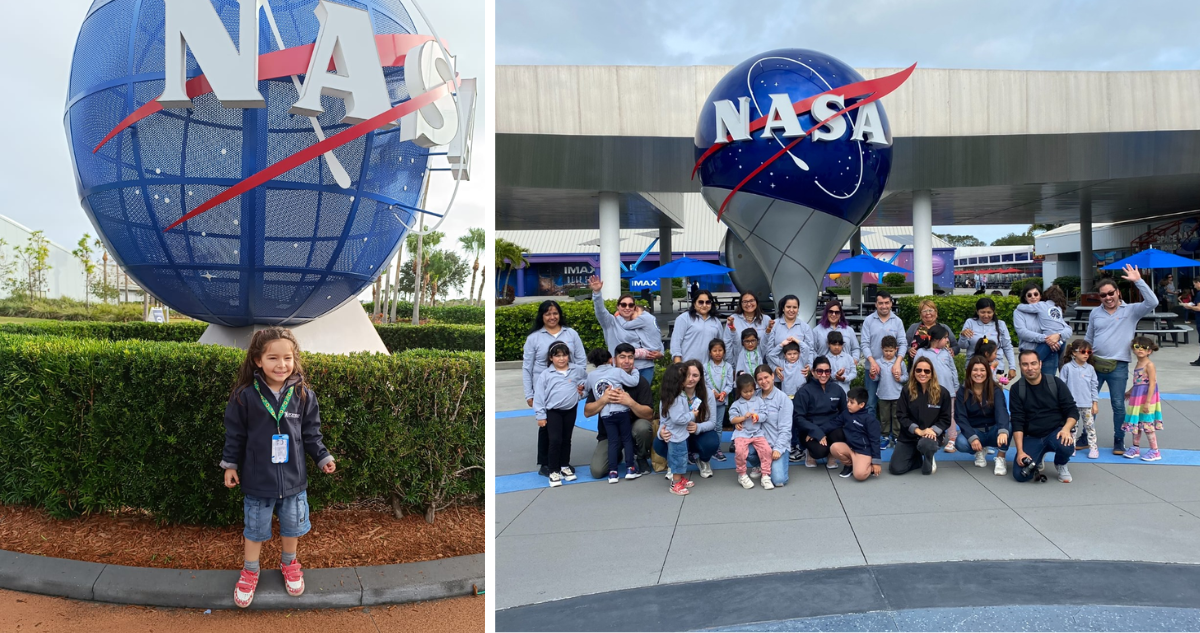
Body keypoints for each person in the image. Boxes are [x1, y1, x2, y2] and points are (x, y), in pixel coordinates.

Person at [222, 328, 335, 608]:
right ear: (258, 360)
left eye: (288, 358)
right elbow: (234, 435)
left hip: (294, 481)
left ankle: (289, 564)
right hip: (257, 482)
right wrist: (230, 465)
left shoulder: (303, 395)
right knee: (255, 529)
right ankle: (250, 570)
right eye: (273, 358)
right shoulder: (244, 397)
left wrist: (322, 457)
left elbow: (311, 433)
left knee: (291, 527)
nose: (281, 364)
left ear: (295, 360)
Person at [1085, 265, 1158, 455]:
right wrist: (1081, 357)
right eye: (1103, 295)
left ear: (1118, 292)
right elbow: (1089, 337)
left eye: (1111, 293)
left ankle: (1119, 439)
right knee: (1087, 402)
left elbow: (1152, 302)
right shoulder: (1095, 313)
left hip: (1119, 365)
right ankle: (1086, 436)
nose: (1108, 298)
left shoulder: (1131, 310)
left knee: (1118, 404)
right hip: (1094, 363)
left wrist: (1138, 281)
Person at [522, 300, 586, 475]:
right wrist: (529, 394)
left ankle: (563, 463)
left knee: (564, 429)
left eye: (555, 313)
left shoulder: (571, 334)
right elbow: (527, 367)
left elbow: (580, 361)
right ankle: (546, 463)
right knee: (546, 427)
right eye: (548, 314)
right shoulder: (534, 337)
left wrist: (580, 384)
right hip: (543, 389)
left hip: (567, 387)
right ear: (542, 316)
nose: (552, 317)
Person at [586, 344, 656, 479]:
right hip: (609, 432)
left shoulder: (640, 381)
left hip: (632, 428)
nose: (627, 361)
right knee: (597, 471)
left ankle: (640, 456)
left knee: (643, 427)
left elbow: (649, 415)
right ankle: (616, 454)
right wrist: (604, 399)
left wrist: (630, 402)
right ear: (613, 360)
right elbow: (587, 412)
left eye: (630, 357)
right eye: (622, 357)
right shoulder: (601, 379)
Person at [1009, 350, 1078, 483]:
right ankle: (1038, 457)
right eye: (1025, 364)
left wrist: (1066, 429)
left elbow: (1072, 410)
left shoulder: (1055, 383)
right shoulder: (1017, 389)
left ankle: (1061, 464)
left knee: (1066, 445)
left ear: (1040, 364)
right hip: (1032, 436)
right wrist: (1021, 451)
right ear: (1020, 366)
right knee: (1020, 475)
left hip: (1055, 432)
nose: (1030, 368)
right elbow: (1017, 421)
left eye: (1033, 363)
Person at [656, 360, 718, 493]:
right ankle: (675, 479)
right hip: (677, 434)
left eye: (695, 375)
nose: (690, 379)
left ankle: (701, 462)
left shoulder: (705, 393)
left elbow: (713, 422)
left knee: (707, 443)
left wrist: (698, 427)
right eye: (686, 375)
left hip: (690, 434)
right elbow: (667, 419)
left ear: (701, 377)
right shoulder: (674, 396)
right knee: (674, 452)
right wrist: (661, 432)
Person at [588, 275, 663, 384]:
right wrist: (597, 293)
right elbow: (600, 311)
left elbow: (655, 337)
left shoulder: (642, 320)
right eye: (623, 305)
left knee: (643, 399)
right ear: (617, 307)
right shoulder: (611, 322)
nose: (627, 308)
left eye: (630, 305)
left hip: (645, 367)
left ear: (634, 307)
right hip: (621, 369)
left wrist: (660, 354)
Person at [533, 342, 587, 487]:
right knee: (555, 440)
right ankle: (553, 470)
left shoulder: (577, 370)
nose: (562, 359)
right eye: (558, 356)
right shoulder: (546, 374)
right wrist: (541, 416)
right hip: (553, 411)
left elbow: (586, 383)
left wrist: (581, 393)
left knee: (566, 438)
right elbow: (539, 396)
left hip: (570, 410)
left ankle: (564, 465)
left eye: (564, 355)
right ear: (551, 358)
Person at [890, 356, 951, 476]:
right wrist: (918, 431)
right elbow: (901, 415)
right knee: (896, 469)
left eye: (926, 371)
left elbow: (946, 418)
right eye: (919, 370)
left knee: (926, 445)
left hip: (930, 436)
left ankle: (928, 455)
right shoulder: (906, 390)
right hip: (909, 436)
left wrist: (932, 431)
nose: (922, 373)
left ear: (932, 373)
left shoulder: (943, 393)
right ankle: (917, 458)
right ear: (914, 372)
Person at [954, 356, 1012, 476]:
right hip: (976, 431)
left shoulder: (996, 389)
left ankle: (1001, 457)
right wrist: (972, 437)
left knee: (1009, 426)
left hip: (993, 431)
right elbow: (960, 417)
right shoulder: (962, 391)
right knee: (961, 443)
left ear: (987, 372)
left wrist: (1002, 431)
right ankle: (979, 450)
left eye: (982, 370)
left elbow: (1001, 411)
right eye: (975, 370)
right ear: (970, 372)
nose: (978, 373)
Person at [793, 356, 848, 470]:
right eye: (820, 371)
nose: (824, 374)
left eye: (827, 371)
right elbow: (798, 418)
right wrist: (815, 431)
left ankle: (832, 453)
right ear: (813, 372)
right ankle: (810, 451)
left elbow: (844, 413)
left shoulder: (837, 389)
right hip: (811, 430)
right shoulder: (804, 392)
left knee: (841, 434)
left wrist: (822, 430)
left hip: (832, 427)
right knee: (820, 451)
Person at [860, 290, 907, 418]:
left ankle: (892, 434)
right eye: (880, 303)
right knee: (870, 403)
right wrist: (873, 362)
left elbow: (903, 343)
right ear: (876, 304)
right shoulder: (869, 321)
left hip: (892, 369)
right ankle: (871, 433)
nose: (884, 306)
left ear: (891, 303)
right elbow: (864, 344)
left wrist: (897, 363)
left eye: (887, 303)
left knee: (894, 404)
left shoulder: (897, 321)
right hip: (872, 369)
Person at [913, 325, 960, 452]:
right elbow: (916, 371)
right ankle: (933, 436)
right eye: (945, 338)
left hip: (948, 390)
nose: (947, 341)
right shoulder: (922, 352)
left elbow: (953, 369)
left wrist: (956, 386)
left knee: (950, 415)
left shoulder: (947, 353)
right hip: (930, 391)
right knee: (931, 414)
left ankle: (952, 439)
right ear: (936, 339)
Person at [745, 364, 793, 487]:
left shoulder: (783, 399)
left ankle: (771, 463)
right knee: (745, 451)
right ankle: (760, 465)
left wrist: (777, 449)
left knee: (778, 480)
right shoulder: (753, 397)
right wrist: (739, 423)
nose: (763, 381)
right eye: (760, 379)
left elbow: (785, 429)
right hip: (758, 441)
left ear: (773, 376)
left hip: (776, 443)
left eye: (766, 377)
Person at [728, 374, 775, 490]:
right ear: (739, 391)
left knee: (766, 450)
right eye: (745, 392)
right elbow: (732, 419)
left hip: (757, 433)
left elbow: (765, 415)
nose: (749, 394)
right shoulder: (736, 404)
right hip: (742, 433)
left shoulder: (759, 401)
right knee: (740, 451)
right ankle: (742, 474)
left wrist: (758, 417)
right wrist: (743, 418)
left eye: (751, 391)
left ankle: (765, 475)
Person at [1015, 284, 1072, 377]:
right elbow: (1022, 332)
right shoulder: (1020, 312)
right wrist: (1047, 339)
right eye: (1029, 295)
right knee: (1028, 386)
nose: (1033, 297)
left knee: (1048, 386)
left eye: (1036, 294)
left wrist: (1058, 335)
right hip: (1029, 352)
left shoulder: (1047, 309)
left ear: (1041, 296)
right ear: (1025, 298)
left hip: (1051, 355)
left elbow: (1068, 329)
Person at [829, 387, 883, 481]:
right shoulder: (846, 414)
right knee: (834, 447)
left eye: (852, 402)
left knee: (859, 475)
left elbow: (875, 441)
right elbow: (833, 424)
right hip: (851, 449)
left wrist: (876, 462)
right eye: (848, 401)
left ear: (861, 404)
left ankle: (869, 467)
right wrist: (817, 432)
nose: (848, 405)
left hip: (864, 452)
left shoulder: (870, 420)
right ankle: (849, 465)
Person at [1123, 336, 1163, 462]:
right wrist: (1130, 391)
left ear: (1149, 351)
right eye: (1137, 347)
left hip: (1146, 398)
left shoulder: (1149, 365)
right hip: (1136, 397)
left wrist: (1147, 402)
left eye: (1144, 348)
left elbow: (1152, 384)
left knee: (1147, 424)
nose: (1140, 350)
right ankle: (1135, 447)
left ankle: (1155, 450)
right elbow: (1138, 382)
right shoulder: (1137, 364)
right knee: (1136, 423)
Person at [1059, 339, 1100, 460]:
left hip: (1087, 404)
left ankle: (1093, 447)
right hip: (1072, 405)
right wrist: (1063, 403)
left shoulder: (1090, 369)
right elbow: (1062, 386)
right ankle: (1071, 446)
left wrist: (1095, 403)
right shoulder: (1067, 368)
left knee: (1090, 427)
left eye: (1089, 352)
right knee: (1072, 428)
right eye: (1083, 351)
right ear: (1074, 353)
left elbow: (1094, 386)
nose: (1086, 354)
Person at [959, 297, 1017, 380]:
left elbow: (1007, 347)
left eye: (989, 312)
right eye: (982, 312)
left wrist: (1012, 367)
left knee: (995, 392)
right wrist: (963, 336)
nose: (986, 315)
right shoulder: (970, 322)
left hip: (996, 368)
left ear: (994, 312)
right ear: (977, 311)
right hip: (974, 368)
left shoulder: (1000, 324)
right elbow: (962, 346)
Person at [671, 290, 725, 363]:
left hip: (710, 369)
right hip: (688, 366)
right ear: (694, 303)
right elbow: (676, 342)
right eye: (701, 302)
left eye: (708, 302)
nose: (704, 305)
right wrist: (678, 364)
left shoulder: (716, 321)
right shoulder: (684, 318)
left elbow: (721, 343)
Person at [875, 335, 908, 450]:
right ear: (882, 349)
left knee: (896, 417)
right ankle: (884, 437)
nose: (888, 353)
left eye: (891, 351)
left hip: (897, 394)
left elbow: (906, 377)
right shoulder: (878, 362)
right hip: (883, 394)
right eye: (886, 350)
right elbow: (876, 379)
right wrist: (873, 375)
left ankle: (897, 436)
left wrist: (900, 379)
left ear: (896, 350)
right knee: (884, 417)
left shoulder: (900, 363)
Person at [769, 295, 815, 368]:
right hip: (779, 371)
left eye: (794, 307)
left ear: (798, 309)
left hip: (799, 372)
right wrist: (774, 368)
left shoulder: (805, 327)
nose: (791, 310)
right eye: (788, 307)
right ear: (783, 308)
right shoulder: (774, 325)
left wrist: (809, 366)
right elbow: (769, 351)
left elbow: (810, 350)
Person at [704, 338, 734, 430]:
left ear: (724, 352)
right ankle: (709, 443)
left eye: (720, 350)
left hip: (722, 400)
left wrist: (723, 393)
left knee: (718, 425)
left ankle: (718, 444)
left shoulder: (728, 367)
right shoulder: (705, 367)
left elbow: (730, 384)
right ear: (710, 352)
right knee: (709, 423)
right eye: (714, 350)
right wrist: (713, 392)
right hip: (709, 400)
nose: (717, 353)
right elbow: (704, 383)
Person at [824, 331, 858, 396]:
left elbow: (854, 373)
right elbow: (824, 374)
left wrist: (845, 378)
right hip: (829, 392)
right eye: (834, 344)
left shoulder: (848, 358)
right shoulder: (825, 359)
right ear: (828, 344)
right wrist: (836, 375)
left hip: (845, 391)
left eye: (839, 345)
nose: (837, 347)